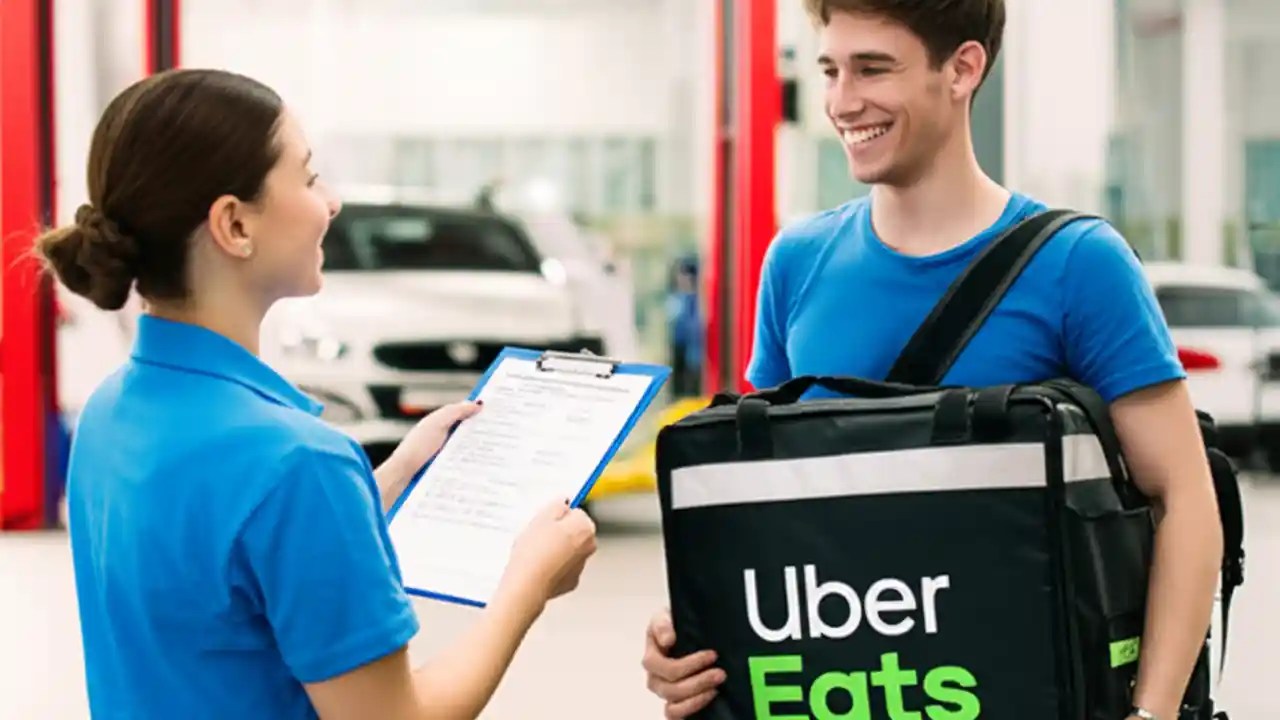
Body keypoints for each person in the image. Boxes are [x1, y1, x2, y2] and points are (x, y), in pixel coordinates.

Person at [640, 2, 1223, 720]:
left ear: (963, 69)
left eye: (873, 69)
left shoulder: (1078, 264)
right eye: (830, 70)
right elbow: (760, 510)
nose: (842, 101)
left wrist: (1155, 711)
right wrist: (694, 637)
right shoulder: (796, 262)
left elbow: (1186, 500)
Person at [37, 68, 597, 720]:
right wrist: (525, 584)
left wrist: (392, 476)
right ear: (234, 226)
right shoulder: (295, 462)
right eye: (306, 178)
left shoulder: (110, 414)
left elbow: (232, 565)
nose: (329, 202)